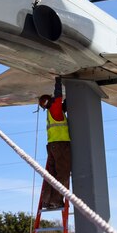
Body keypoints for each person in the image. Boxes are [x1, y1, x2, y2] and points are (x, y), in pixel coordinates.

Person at [38, 77, 71, 210]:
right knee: (63, 173)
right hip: (61, 146)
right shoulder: (55, 108)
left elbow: (63, 106)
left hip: (52, 146)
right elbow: (58, 98)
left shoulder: (52, 112)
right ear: (50, 101)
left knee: (51, 174)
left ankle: (46, 200)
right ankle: (56, 200)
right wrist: (58, 81)